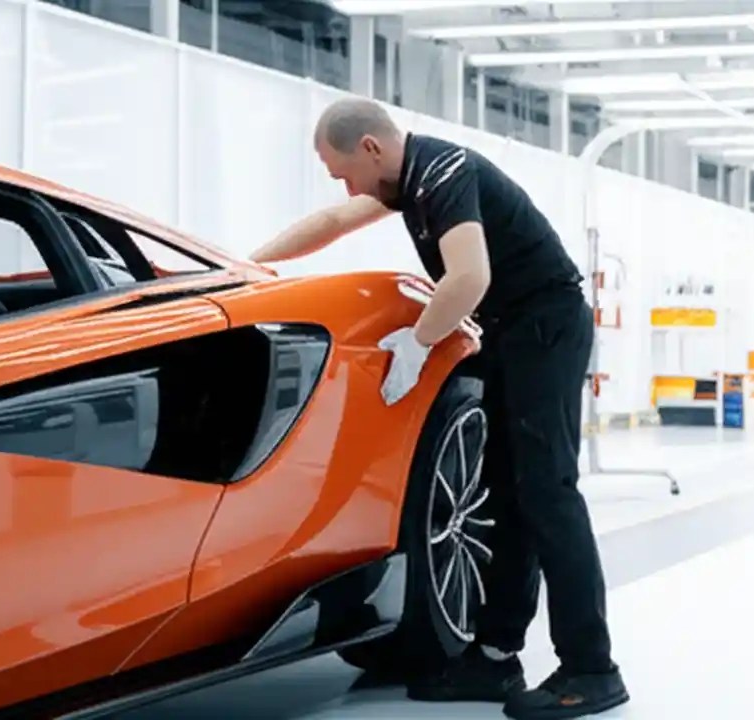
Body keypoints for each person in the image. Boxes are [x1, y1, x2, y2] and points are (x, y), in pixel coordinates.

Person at [248, 98, 627, 720]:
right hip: (510, 329)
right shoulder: (407, 180)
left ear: (371, 148)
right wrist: (249, 266)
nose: (347, 187)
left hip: (545, 326)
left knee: (548, 492)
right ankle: (495, 656)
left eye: (344, 172)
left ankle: (592, 669)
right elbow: (334, 221)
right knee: (506, 494)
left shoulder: (444, 173)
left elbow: (470, 277)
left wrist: (418, 342)